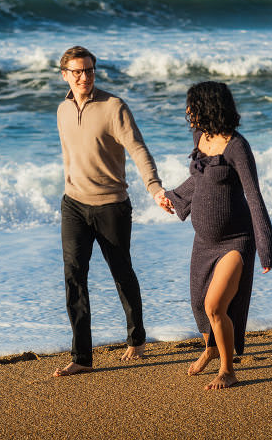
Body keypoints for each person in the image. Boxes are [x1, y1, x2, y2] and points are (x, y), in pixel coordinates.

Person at [52, 46, 171, 377]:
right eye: (77, 71)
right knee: (74, 276)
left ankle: (137, 337)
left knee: (121, 272)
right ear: (64, 75)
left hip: (111, 205)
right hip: (73, 204)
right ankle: (81, 357)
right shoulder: (62, 110)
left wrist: (155, 188)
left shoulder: (113, 107)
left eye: (89, 70)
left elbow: (137, 148)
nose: (84, 77)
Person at [160, 81, 272, 390]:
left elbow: (254, 196)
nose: (188, 112)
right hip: (203, 242)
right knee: (199, 304)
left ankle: (227, 370)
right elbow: (198, 180)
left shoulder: (237, 146)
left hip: (236, 240)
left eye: (192, 106)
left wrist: (266, 249)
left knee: (215, 305)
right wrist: (173, 197)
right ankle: (211, 349)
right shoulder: (201, 137)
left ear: (209, 106)